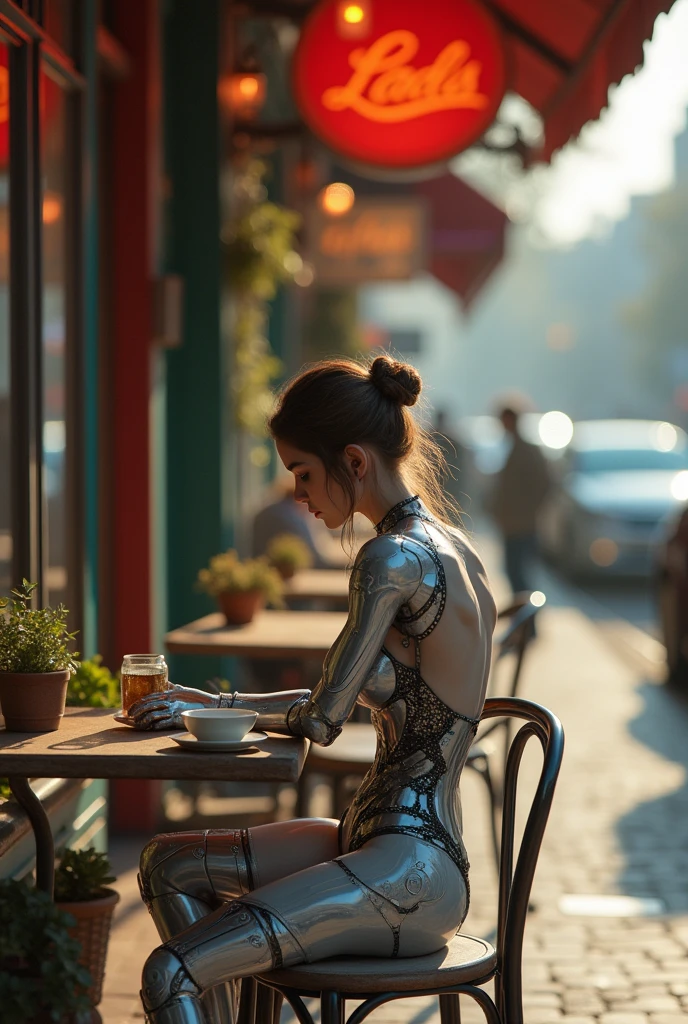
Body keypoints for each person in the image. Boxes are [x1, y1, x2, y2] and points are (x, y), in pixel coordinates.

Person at [129, 355, 497, 1024]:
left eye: (302, 472)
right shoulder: (454, 549)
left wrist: (204, 709)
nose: (297, 494)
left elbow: (323, 718)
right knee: (165, 864)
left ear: (353, 462)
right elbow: (342, 696)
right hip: (390, 846)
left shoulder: (390, 559)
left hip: (409, 871)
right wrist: (208, 702)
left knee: (170, 970)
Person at [487, 405, 550, 595]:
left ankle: (528, 620)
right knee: (515, 574)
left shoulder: (525, 450)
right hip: (513, 524)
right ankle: (525, 619)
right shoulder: (513, 448)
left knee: (519, 576)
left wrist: (529, 511)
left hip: (522, 526)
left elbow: (544, 484)